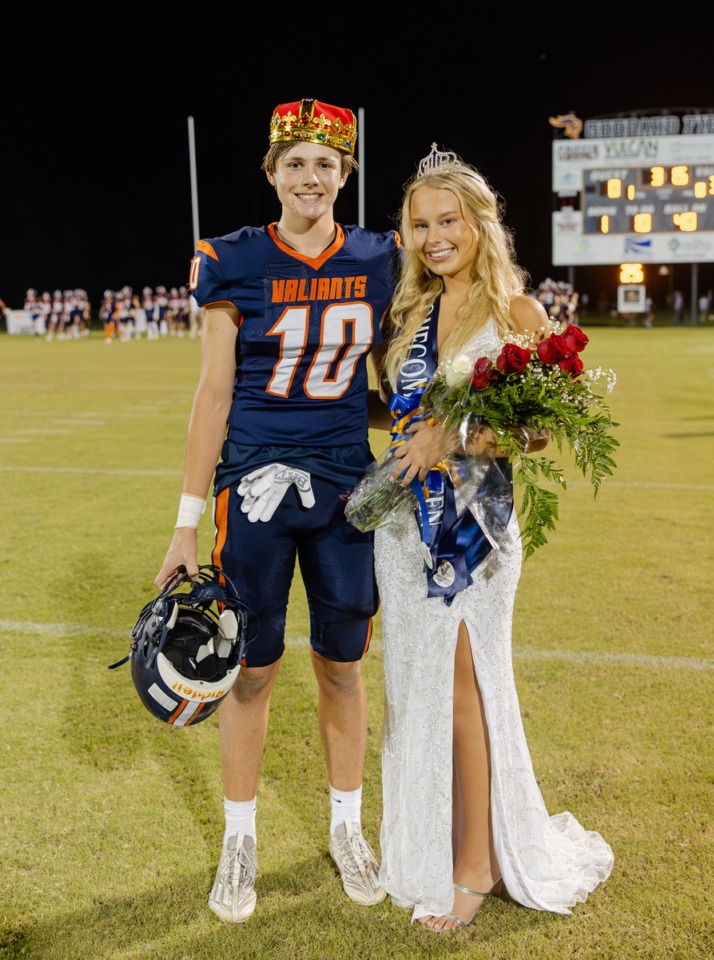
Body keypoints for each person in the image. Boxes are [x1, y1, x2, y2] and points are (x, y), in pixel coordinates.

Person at [153, 98, 402, 923]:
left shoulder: (379, 258)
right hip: (253, 492)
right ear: (271, 174)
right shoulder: (232, 259)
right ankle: (239, 839)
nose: (309, 176)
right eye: (293, 162)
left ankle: (346, 826)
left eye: (325, 163)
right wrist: (187, 521)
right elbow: (215, 392)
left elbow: (386, 382)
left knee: (342, 665)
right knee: (250, 672)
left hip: (344, 493)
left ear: (345, 175)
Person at [371, 144, 614, 931]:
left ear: (480, 225)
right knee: (417, 691)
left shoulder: (519, 314)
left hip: (474, 529)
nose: (435, 236)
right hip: (406, 529)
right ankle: (434, 847)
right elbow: (396, 416)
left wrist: (459, 439)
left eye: (448, 221)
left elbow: (537, 432)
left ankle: (475, 865)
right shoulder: (408, 316)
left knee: (465, 689)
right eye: (421, 224)